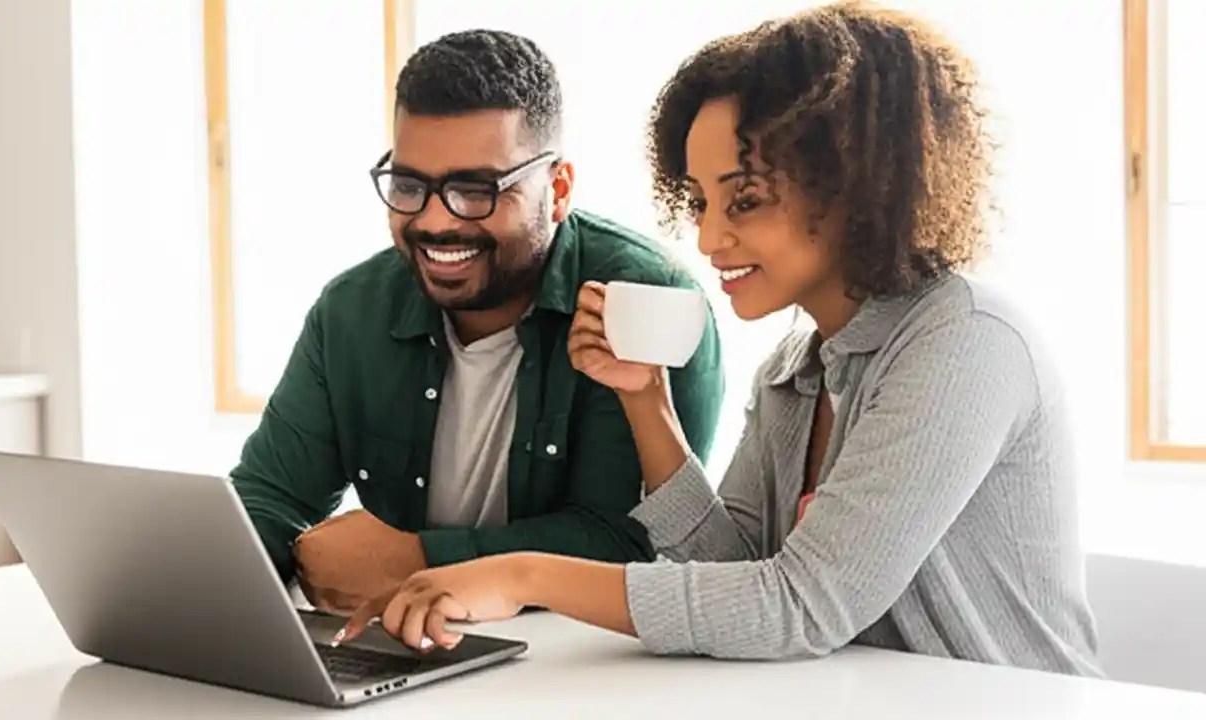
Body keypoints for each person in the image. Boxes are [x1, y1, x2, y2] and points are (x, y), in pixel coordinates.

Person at [337, 2, 1102, 677]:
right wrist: (646, 401)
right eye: (699, 201)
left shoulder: (966, 342)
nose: (707, 239)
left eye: (745, 200)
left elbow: (800, 605)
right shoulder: (795, 369)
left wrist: (522, 575)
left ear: (856, 182)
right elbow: (730, 571)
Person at [230, 29, 725, 611]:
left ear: (558, 189)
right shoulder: (350, 312)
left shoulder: (644, 304)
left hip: (588, 656)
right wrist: (206, 578)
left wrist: (419, 559)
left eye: (475, 190)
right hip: (405, 645)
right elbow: (270, 498)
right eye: (409, 186)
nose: (437, 221)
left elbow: (628, 541)